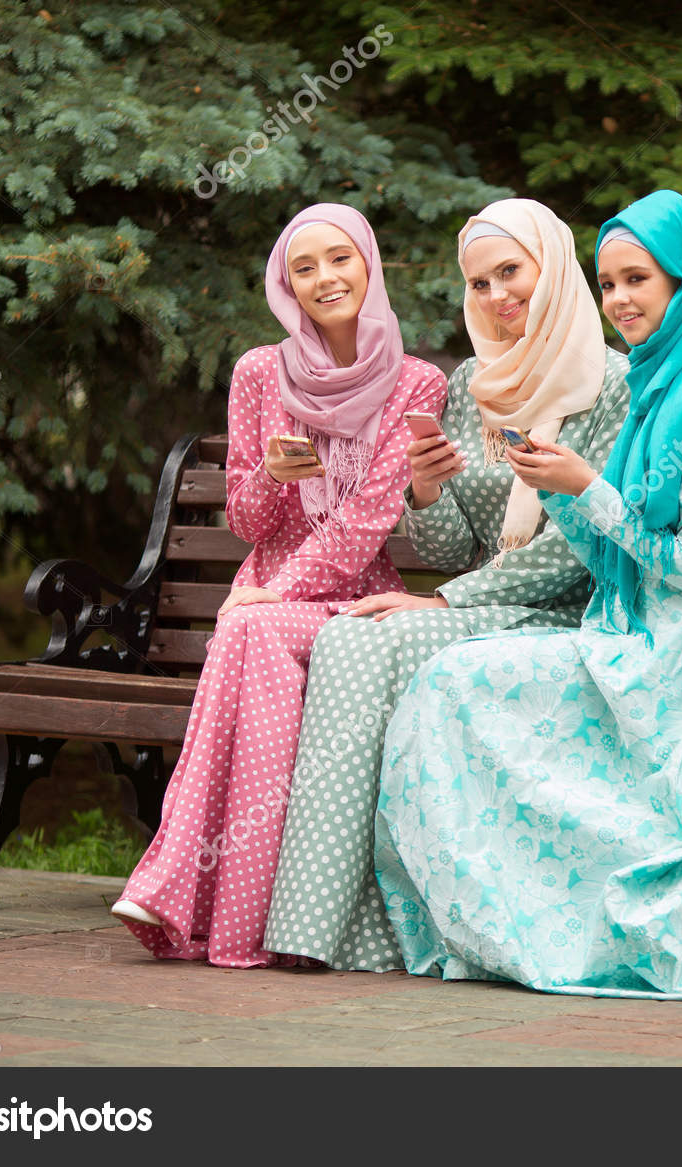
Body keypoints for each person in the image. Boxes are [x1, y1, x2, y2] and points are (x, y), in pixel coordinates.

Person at [371, 190, 682, 1000]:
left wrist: (587, 487)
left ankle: (592, 936)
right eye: (608, 284)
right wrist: (556, 490)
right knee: (451, 682)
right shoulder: (650, 388)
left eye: (639, 280)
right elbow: (605, 549)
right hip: (620, 623)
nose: (622, 300)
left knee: (464, 683)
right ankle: (507, 929)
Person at [262, 199, 631, 968]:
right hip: (485, 609)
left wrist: (443, 601)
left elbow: (585, 544)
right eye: (480, 281)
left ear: (552, 270)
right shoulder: (473, 386)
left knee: (385, 632)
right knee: (352, 639)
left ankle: (369, 927)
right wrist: (425, 493)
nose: (498, 295)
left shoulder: (613, 384)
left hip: (573, 619)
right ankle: (314, 930)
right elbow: (458, 548)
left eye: (511, 273)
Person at [111, 203, 447, 968]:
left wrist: (280, 589)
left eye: (340, 259)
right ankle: (240, 922)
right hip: (268, 591)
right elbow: (245, 518)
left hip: (354, 598)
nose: (325, 277)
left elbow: (368, 522)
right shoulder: (261, 372)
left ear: (370, 265)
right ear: (284, 284)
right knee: (248, 632)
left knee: (246, 625)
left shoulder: (416, 383)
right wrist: (270, 473)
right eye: (305, 267)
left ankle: (177, 887)